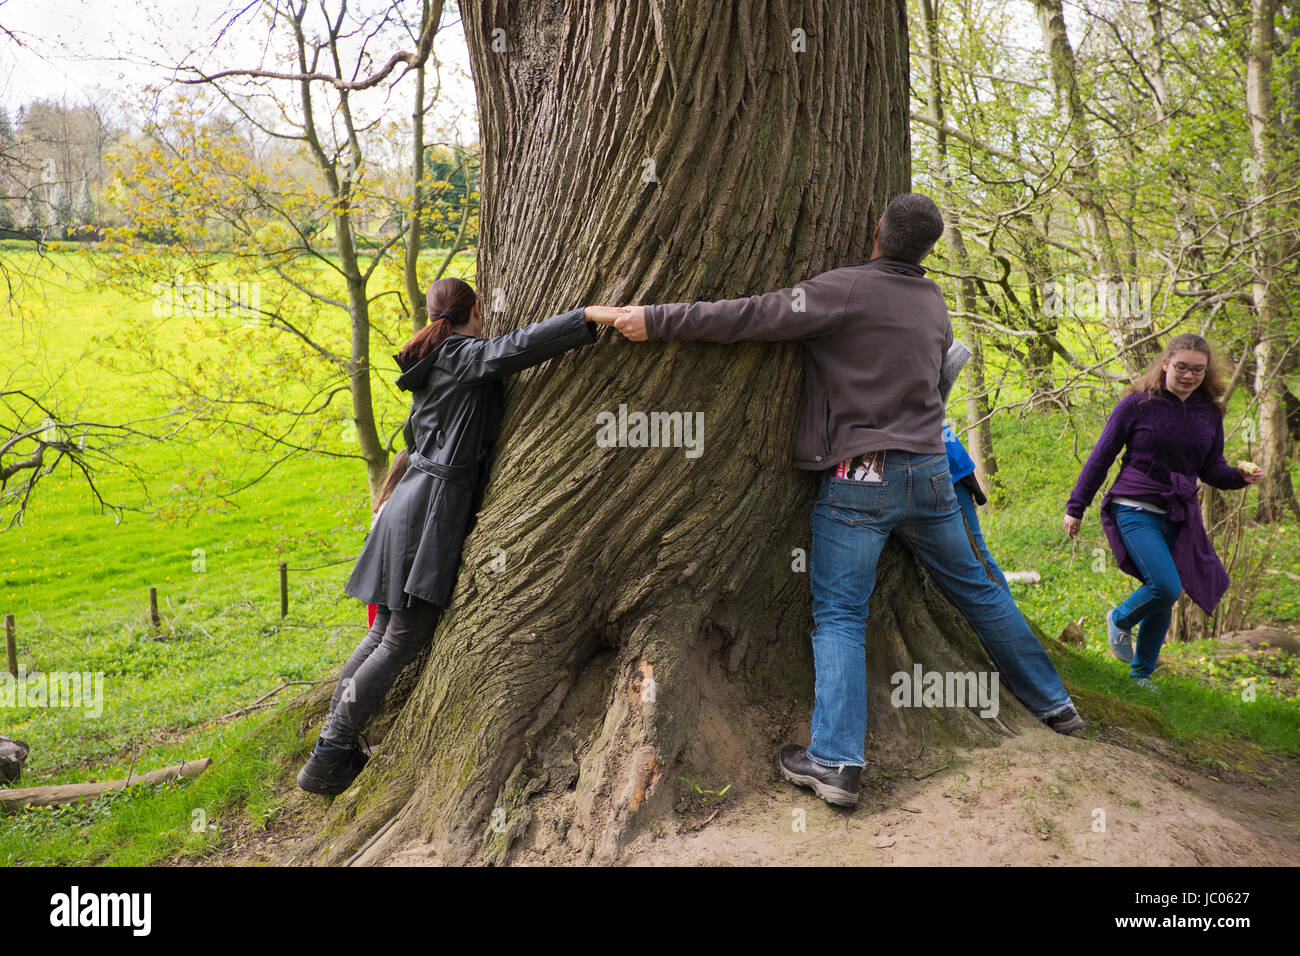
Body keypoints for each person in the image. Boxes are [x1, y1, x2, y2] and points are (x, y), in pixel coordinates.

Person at [612, 193, 1083, 809]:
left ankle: (836, 760)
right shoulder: (933, 299)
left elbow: (750, 316)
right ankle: (1055, 704)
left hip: (862, 476)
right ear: (927, 247)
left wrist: (654, 319)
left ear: (877, 230)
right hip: (932, 471)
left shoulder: (846, 289)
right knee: (980, 589)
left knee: (840, 613)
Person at [297, 278, 623, 795]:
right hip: (428, 510)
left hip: (408, 503)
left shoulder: (431, 358)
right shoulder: (458, 355)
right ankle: (332, 752)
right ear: (473, 311)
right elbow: (513, 349)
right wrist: (588, 316)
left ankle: (329, 751)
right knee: (399, 639)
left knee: (382, 636)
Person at [1063, 334, 1261, 689]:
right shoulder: (1137, 404)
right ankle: (1120, 618)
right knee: (1167, 587)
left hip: (1179, 513)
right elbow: (1101, 457)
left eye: (1197, 370)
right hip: (1134, 505)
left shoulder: (1209, 413)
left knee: (1162, 595)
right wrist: (1076, 506)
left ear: (1206, 372)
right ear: (1166, 363)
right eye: (1182, 367)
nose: (1189, 375)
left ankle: (1142, 676)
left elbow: (1211, 468)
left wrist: (1240, 477)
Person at [940, 341, 1009, 591]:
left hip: (950, 469)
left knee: (976, 550)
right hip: (939, 466)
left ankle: (1007, 614)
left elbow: (956, 354)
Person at [366, 449, 409, 631]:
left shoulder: (387, 503)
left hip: (378, 580)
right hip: (384, 582)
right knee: (379, 636)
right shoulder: (393, 507)